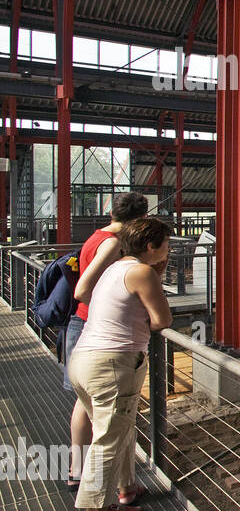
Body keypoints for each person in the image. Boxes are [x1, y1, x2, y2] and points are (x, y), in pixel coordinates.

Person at [70, 217, 173, 511]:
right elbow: (162, 319)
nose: (169, 250)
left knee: (119, 428)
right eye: (166, 245)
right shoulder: (142, 272)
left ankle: (126, 488)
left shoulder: (114, 268)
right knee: (109, 437)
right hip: (113, 364)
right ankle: (96, 509)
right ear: (151, 246)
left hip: (84, 359)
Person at [65, 191, 149, 490]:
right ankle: (94, 495)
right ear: (139, 219)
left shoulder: (97, 236)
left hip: (89, 331)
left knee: (89, 408)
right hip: (98, 331)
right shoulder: (113, 243)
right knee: (105, 423)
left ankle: (87, 472)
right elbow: (84, 290)